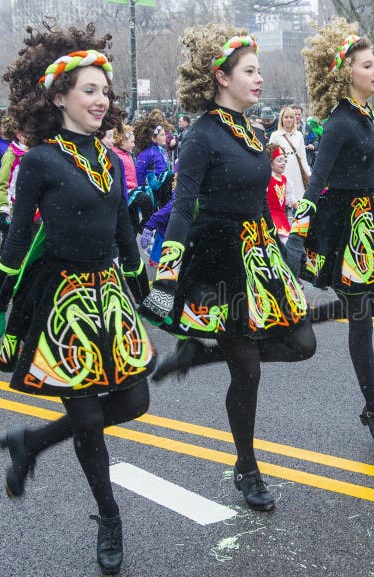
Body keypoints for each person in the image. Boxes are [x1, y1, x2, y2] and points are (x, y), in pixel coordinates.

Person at [0, 23, 154, 575]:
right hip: (60, 303)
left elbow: (123, 226)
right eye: (89, 90)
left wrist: (144, 287)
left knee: (133, 403)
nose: (102, 100)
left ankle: (29, 442)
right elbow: (18, 237)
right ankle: (109, 517)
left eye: (105, 91)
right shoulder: (40, 161)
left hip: (109, 298)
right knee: (84, 415)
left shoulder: (106, 158)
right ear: (59, 98)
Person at [139, 23, 316, 511]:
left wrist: (281, 251)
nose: (259, 79)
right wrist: (168, 277)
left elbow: (257, 198)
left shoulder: (252, 130)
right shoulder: (200, 135)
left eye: (259, 71)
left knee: (303, 343)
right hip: (219, 266)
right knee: (249, 371)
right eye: (250, 71)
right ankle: (247, 467)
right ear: (221, 76)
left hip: (260, 258)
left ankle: (199, 356)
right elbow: (182, 206)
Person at [297, 17, 374, 447]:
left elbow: (370, 172)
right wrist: (296, 236)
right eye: (367, 65)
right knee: (362, 322)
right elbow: (317, 179)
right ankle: (373, 409)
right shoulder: (340, 121)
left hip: (373, 224)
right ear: (347, 73)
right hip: (343, 229)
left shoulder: (367, 116)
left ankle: (371, 401)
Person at [269, 105, 311, 203]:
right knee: (282, 201)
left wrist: (307, 172)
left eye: (291, 117)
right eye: (286, 117)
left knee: (299, 201)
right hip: (282, 172)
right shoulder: (275, 135)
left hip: (297, 173)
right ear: (281, 119)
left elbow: (302, 156)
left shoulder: (299, 135)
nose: (289, 120)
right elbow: (270, 157)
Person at [134, 112, 171, 187]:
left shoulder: (162, 150)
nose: (165, 137)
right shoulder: (146, 153)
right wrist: (142, 189)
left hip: (164, 189)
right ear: (153, 138)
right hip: (153, 190)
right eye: (162, 135)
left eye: (165, 134)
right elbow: (140, 173)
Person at [266, 143, 293, 241]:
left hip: (282, 217)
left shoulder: (286, 180)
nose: (283, 163)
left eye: (284, 160)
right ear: (271, 163)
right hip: (269, 217)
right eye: (279, 160)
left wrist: (298, 205)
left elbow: (290, 199)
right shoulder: (267, 179)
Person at [111, 123, 137, 191]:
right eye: (132, 142)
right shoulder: (118, 157)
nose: (134, 145)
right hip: (127, 192)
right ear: (123, 142)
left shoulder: (128, 155)